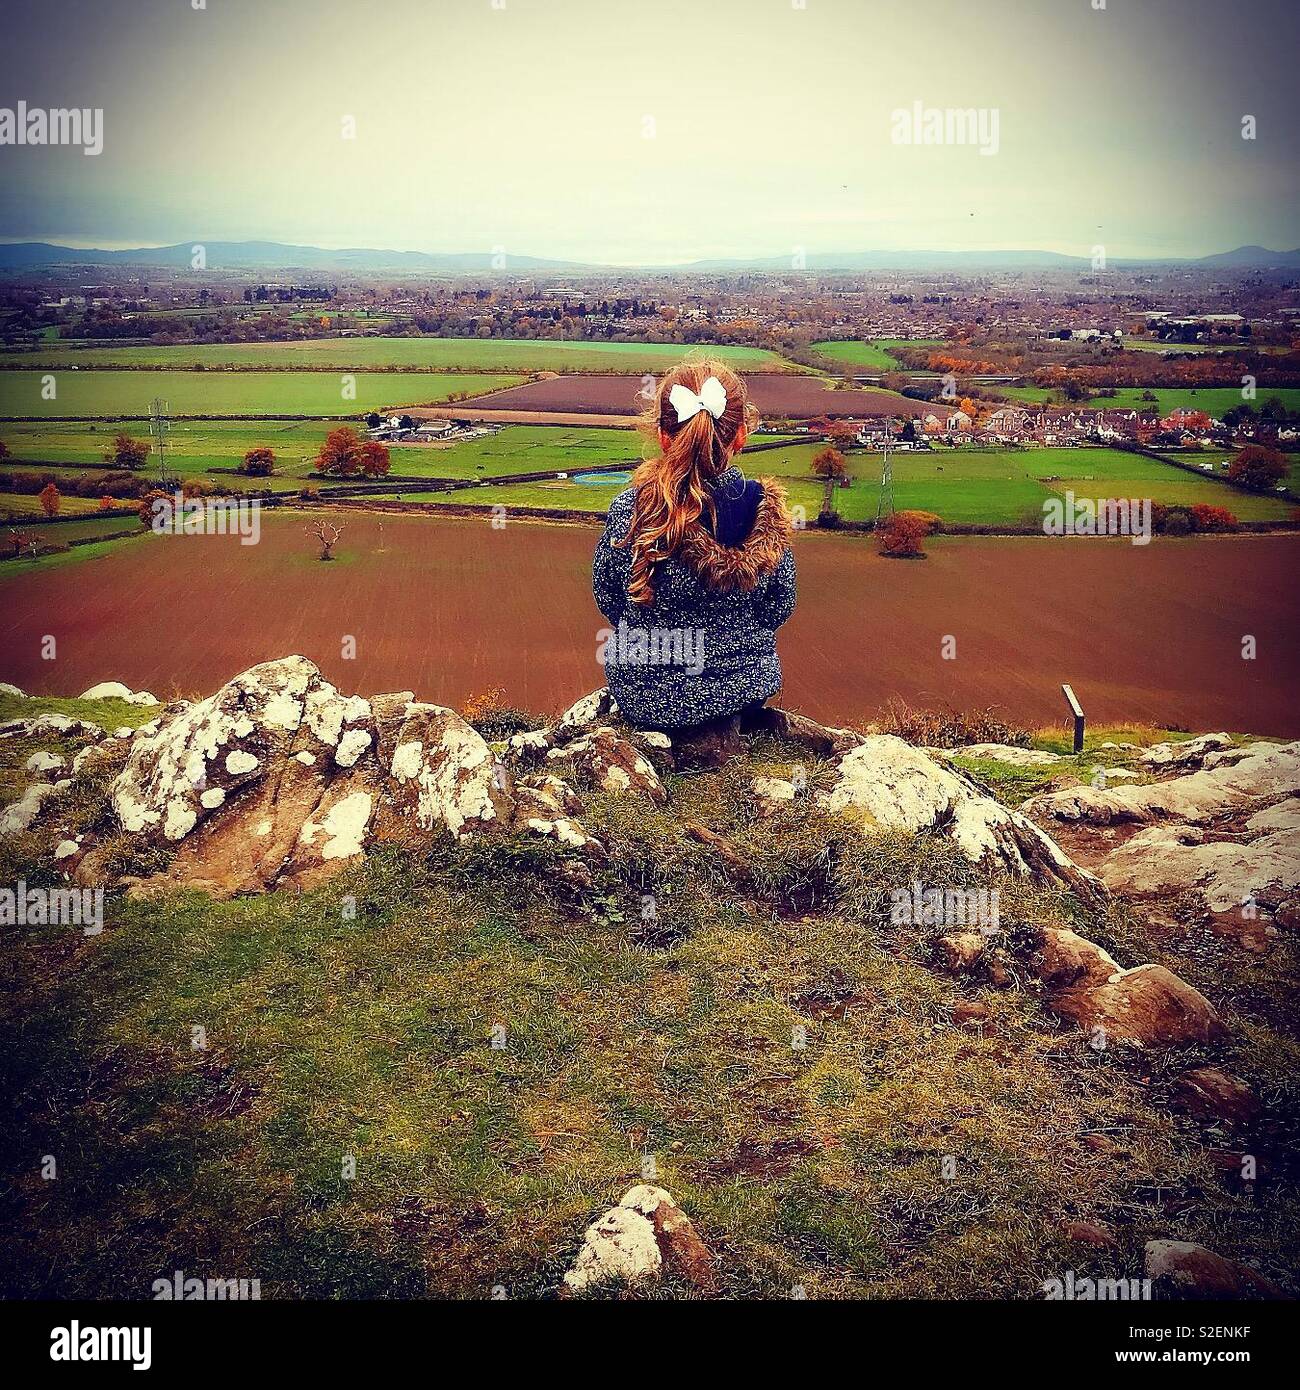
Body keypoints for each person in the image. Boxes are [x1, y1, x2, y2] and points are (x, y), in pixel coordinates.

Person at [591, 358, 797, 767]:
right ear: (741, 435)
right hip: (744, 685)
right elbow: (778, 607)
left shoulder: (631, 510)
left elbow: (610, 597)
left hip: (647, 693)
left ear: (664, 437)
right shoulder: (764, 515)